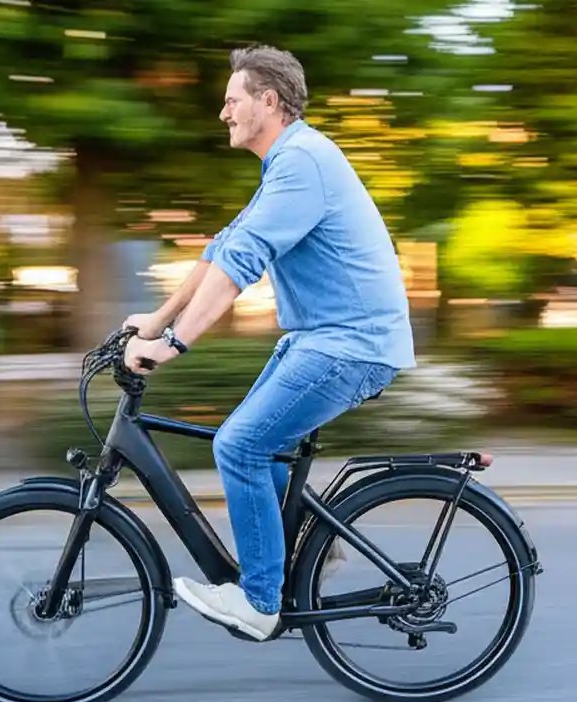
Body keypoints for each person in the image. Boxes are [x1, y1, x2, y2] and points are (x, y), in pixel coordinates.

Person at [121, 44, 416, 641]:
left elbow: (243, 264)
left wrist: (174, 344)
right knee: (256, 443)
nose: (223, 113)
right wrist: (156, 320)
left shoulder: (302, 161)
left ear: (268, 101)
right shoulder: (288, 162)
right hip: (321, 338)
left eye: (232, 101)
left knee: (239, 447)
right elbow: (225, 246)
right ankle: (309, 547)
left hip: (351, 343)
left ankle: (260, 602)